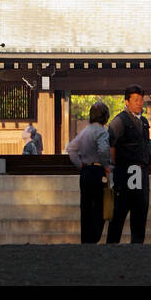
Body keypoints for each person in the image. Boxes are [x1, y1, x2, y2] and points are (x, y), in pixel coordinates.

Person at [106, 84, 151, 244]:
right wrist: (112, 167)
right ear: (127, 101)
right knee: (121, 208)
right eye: (135, 100)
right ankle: (111, 244)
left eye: (141, 100)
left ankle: (137, 244)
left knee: (140, 208)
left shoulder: (144, 122)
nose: (139, 103)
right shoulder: (119, 121)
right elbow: (110, 143)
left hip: (141, 171)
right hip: (126, 170)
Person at [65, 101, 112, 243]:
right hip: (98, 170)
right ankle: (94, 236)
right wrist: (106, 166)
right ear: (105, 116)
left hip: (85, 171)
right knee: (99, 205)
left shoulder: (84, 131)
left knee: (85, 206)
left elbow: (71, 149)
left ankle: (85, 239)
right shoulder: (102, 131)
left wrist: (81, 165)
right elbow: (103, 150)